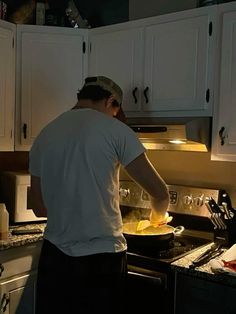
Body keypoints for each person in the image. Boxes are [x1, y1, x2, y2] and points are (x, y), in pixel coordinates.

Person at [29, 75, 170, 314]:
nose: (115, 116)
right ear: (110, 101)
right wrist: (157, 219)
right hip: (101, 259)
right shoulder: (116, 131)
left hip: (55, 258)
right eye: (116, 110)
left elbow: (38, 207)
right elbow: (160, 193)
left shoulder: (45, 134)